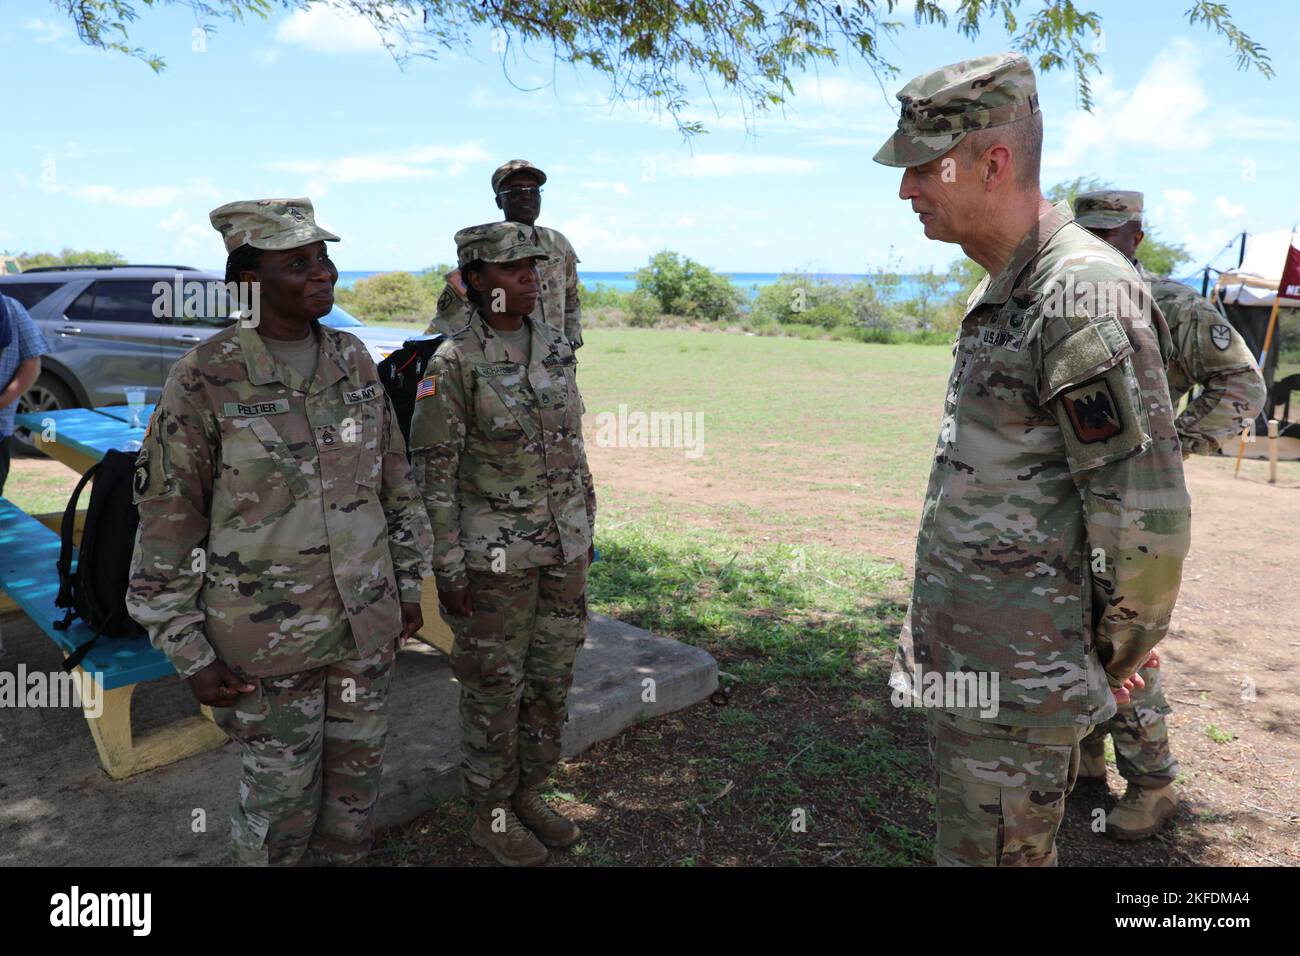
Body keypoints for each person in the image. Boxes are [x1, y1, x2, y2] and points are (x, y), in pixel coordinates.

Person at [875, 53, 1191, 866]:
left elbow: (1143, 521)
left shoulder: (1078, 292)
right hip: (985, 663)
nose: (907, 190)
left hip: (1025, 677)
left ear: (994, 161)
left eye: (920, 167)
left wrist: (1102, 661)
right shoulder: (1007, 285)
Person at [126, 197, 434, 866]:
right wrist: (187, 649)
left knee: (354, 794)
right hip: (266, 645)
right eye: (298, 262)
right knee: (279, 806)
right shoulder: (205, 377)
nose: (322, 272)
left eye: (323, 257)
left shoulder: (353, 358)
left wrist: (409, 586)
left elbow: (395, 483)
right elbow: (167, 522)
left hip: (365, 627)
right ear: (247, 284)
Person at [1072, 188, 1266, 839]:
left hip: (1137, 512)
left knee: (1126, 643)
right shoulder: (1064, 299)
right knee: (1073, 631)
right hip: (1063, 502)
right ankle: (1087, 754)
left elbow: (1243, 382)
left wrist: (1176, 446)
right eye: (1090, 231)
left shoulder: (1169, 302)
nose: (1102, 243)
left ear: (1137, 237)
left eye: (1112, 232)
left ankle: (1152, 784)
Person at [409, 221, 596, 867]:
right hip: (494, 563)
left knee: (551, 679)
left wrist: (586, 529)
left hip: (564, 551)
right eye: (514, 269)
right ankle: (490, 812)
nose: (532, 278)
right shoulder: (453, 361)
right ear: (475, 278)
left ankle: (529, 792)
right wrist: (449, 568)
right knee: (494, 686)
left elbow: (574, 452)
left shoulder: (554, 345)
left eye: (536, 267)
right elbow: (432, 477)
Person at [426, 160, 583, 350]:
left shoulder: (557, 243)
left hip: (556, 364)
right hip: (505, 368)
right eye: (516, 191)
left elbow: (571, 297)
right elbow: (445, 326)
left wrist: (571, 341)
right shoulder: (483, 249)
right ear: (499, 201)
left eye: (533, 190)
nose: (527, 196)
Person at [0, 292, 50, 496]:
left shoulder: (11, 309)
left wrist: (3, 401)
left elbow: (32, 363)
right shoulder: (11, 307)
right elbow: (33, 363)